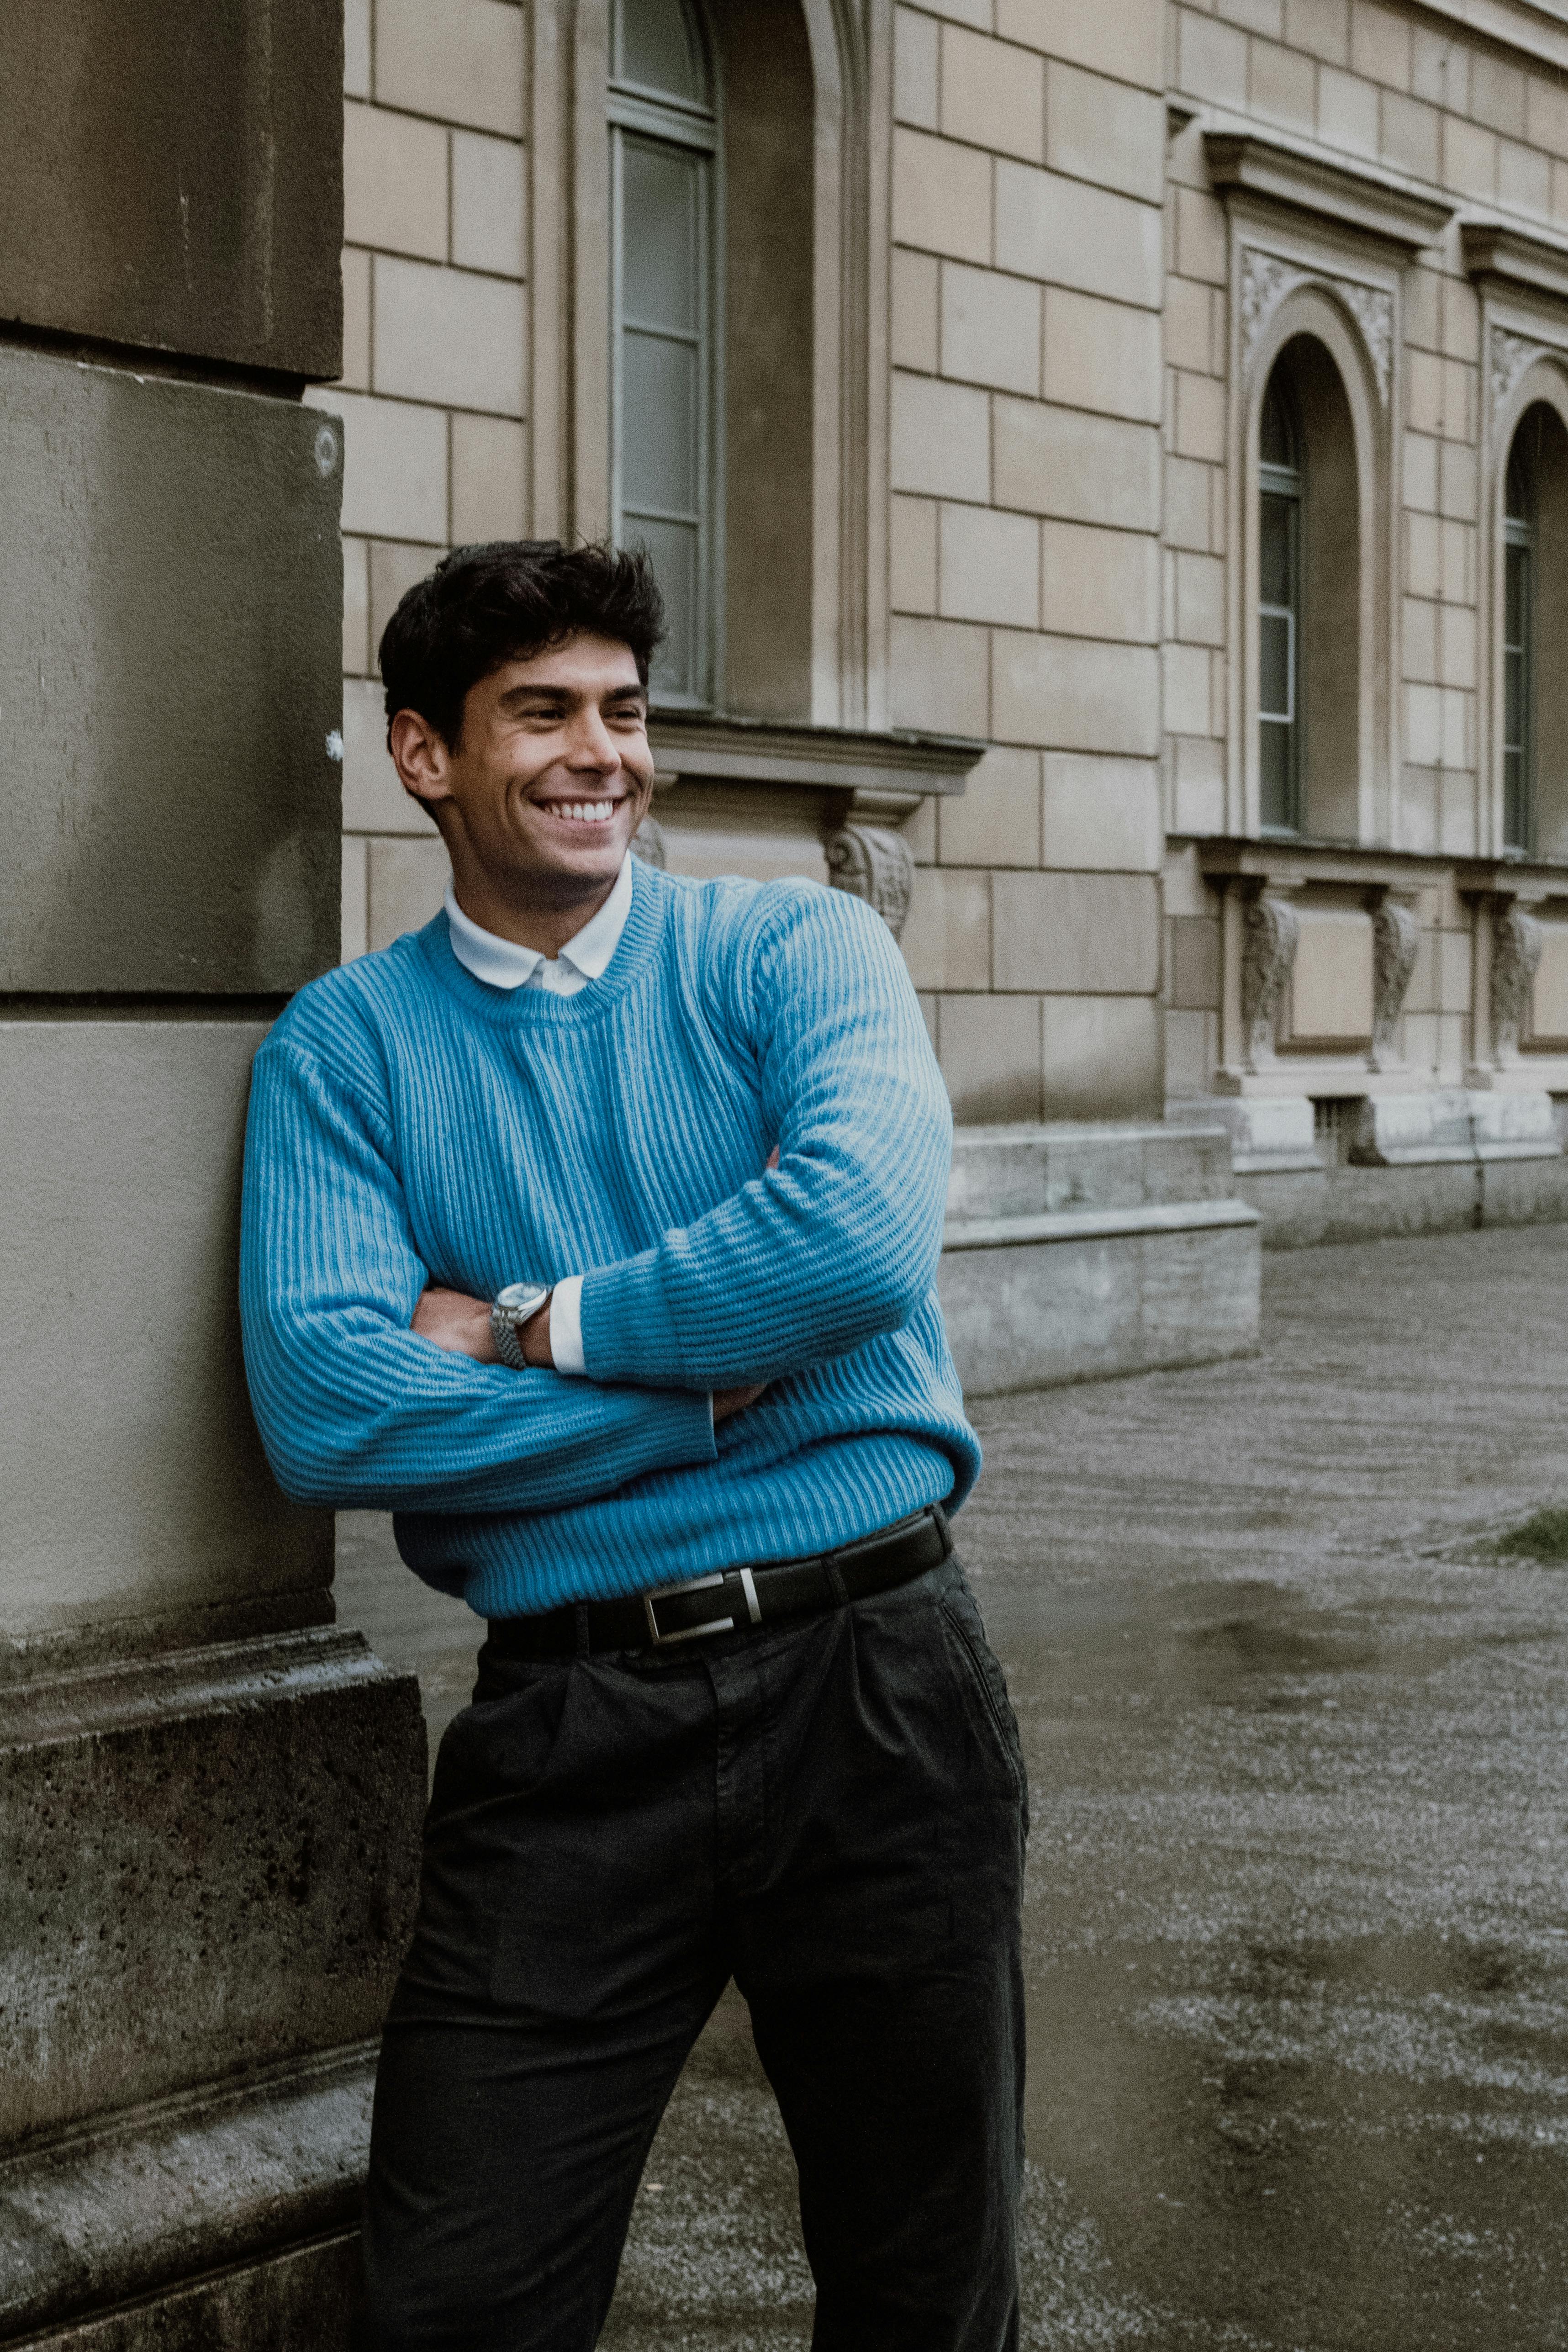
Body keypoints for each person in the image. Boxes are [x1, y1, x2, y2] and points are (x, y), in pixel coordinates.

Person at [239, 539, 1027, 2351]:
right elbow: (330, 1405)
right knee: (458, 2294)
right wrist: (702, 1382)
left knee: (924, 2286)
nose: (602, 753)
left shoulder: (795, 947)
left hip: (879, 1687)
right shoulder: (343, 1052)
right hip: (569, 1727)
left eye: (622, 709)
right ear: (425, 753)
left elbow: (849, 1245)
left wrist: (523, 1324)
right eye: (543, 713)